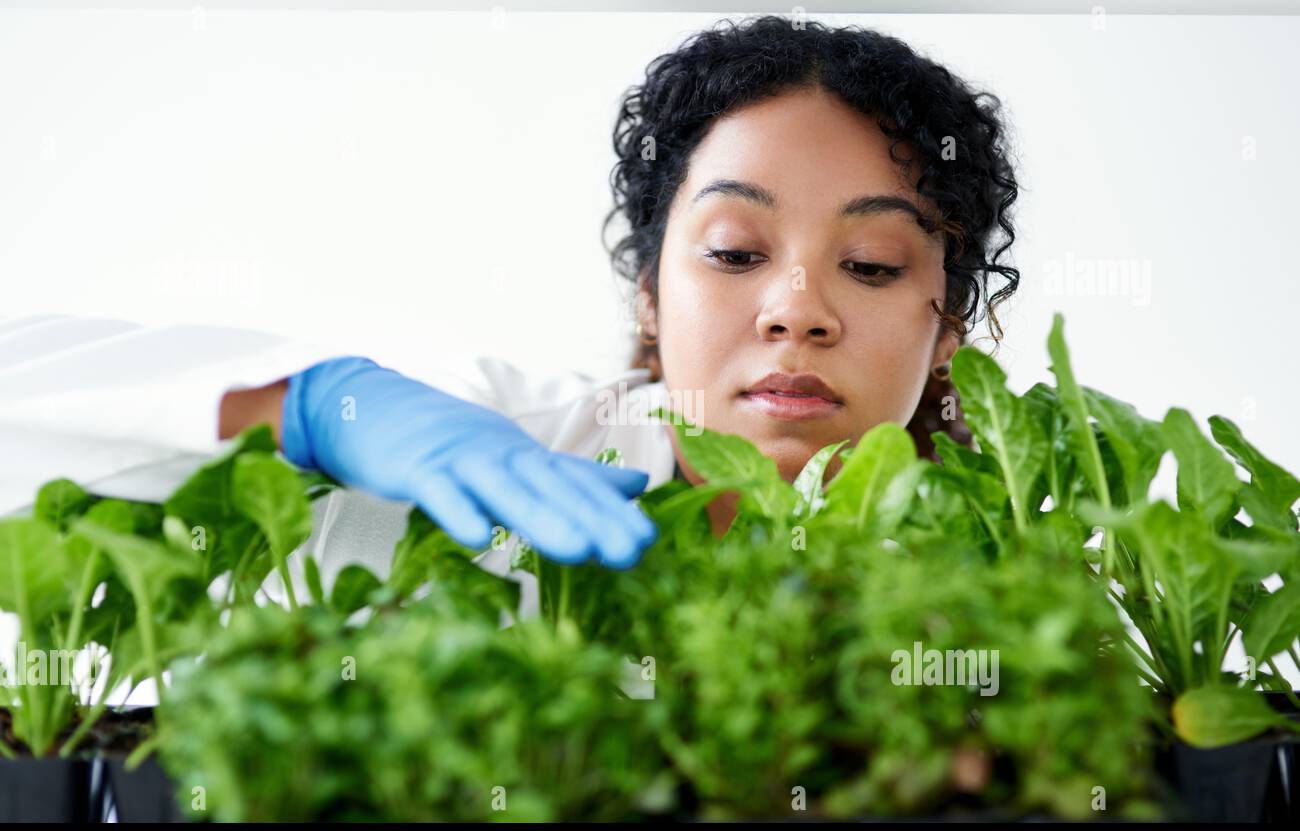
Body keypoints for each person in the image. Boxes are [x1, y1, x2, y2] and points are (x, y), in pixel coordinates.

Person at [1, 14, 1019, 625]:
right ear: (651, 298)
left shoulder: (1042, 580)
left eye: (873, 264)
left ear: (948, 330)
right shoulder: (478, 450)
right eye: (735, 253)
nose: (797, 309)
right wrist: (309, 410)